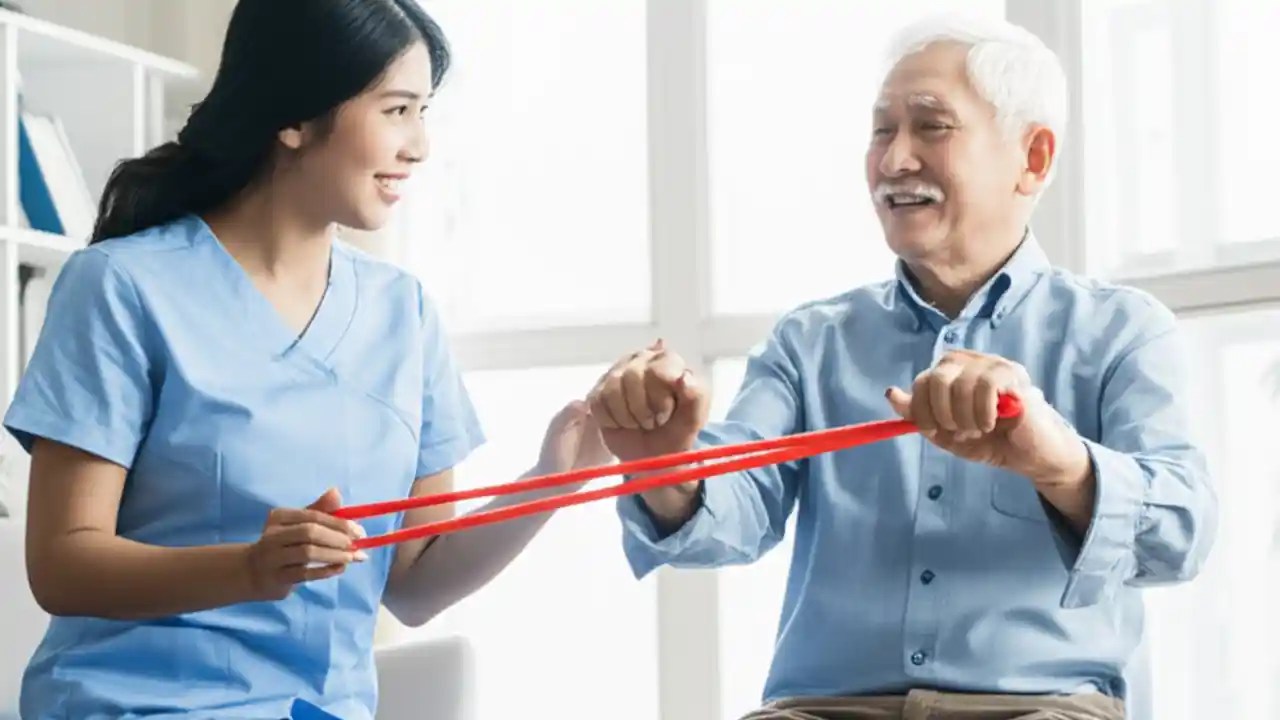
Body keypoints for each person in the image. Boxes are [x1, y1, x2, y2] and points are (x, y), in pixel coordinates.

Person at [589, 12, 1218, 720]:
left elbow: (1182, 536)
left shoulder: (1122, 332)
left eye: (931, 126)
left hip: (1038, 710)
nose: (894, 161)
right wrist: (665, 469)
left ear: (1033, 158)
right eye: (881, 131)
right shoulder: (810, 341)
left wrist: (1060, 464)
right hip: (822, 710)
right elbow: (737, 506)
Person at [3, 1, 611, 718]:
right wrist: (248, 568)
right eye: (396, 110)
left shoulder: (403, 313)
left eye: (424, 111)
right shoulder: (121, 287)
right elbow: (63, 564)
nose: (419, 144)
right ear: (293, 118)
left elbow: (412, 584)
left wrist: (552, 480)